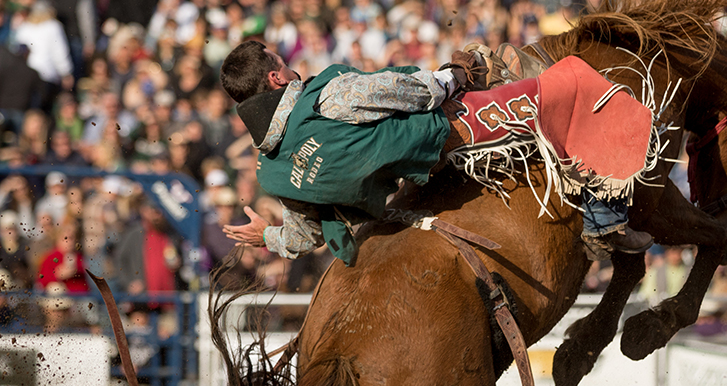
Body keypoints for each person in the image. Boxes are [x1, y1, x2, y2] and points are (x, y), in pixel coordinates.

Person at [220, 41, 653, 267]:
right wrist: (456, 74)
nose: (292, 65)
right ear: (276, 78)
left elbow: (304, 237)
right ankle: (605, 221)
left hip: (397, 195)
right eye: (281, 59)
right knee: (570, 84)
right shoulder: (327, 95)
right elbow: (411, 92)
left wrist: (265, 237)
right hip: (452, 134)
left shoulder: (273, 169)